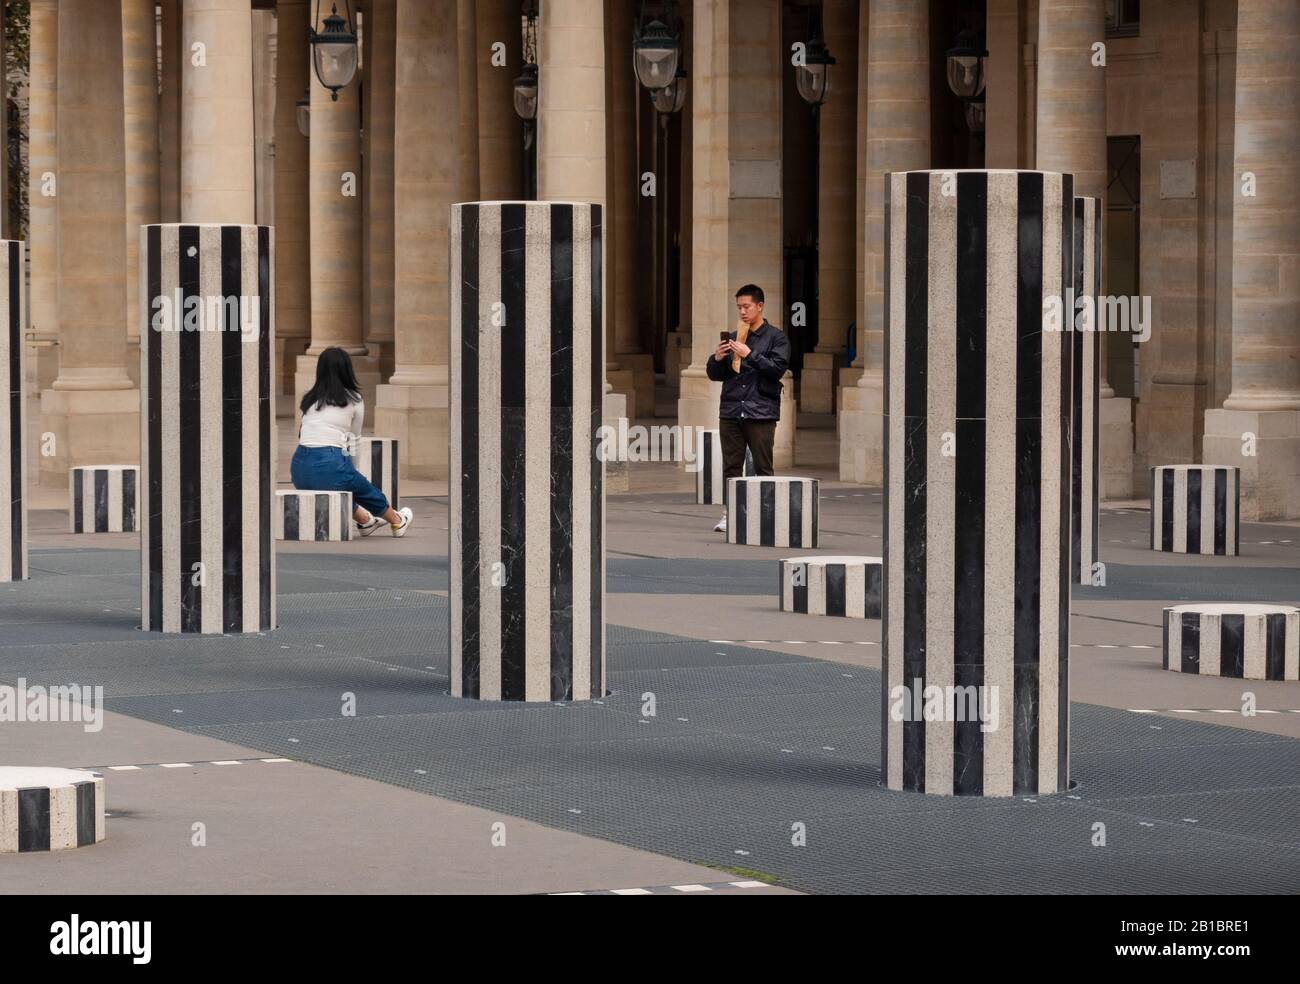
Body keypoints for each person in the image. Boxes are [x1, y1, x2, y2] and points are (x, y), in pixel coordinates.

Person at [291, 347, 414, 538]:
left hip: (299, 468)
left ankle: (365, 521)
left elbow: (303, 435)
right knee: (361, 487)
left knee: (334, 483)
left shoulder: (308, 398)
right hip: (330, 462)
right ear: (347, 370)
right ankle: (397, 521)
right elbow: (354, 440)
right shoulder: (354, 399)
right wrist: (354, 471)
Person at [705, 284, 791, 533]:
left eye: (747, 306)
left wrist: (750, 354)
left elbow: (777, 370)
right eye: (739, 307)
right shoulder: (734, 336)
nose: (742, 312)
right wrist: (717, 358)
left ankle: (767, 515)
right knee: (731, 466)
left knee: (763, 466)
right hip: (731, 410)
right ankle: (730, 513)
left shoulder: (777, 338)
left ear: (760, 306)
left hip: (761, 411)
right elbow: (715, 375)